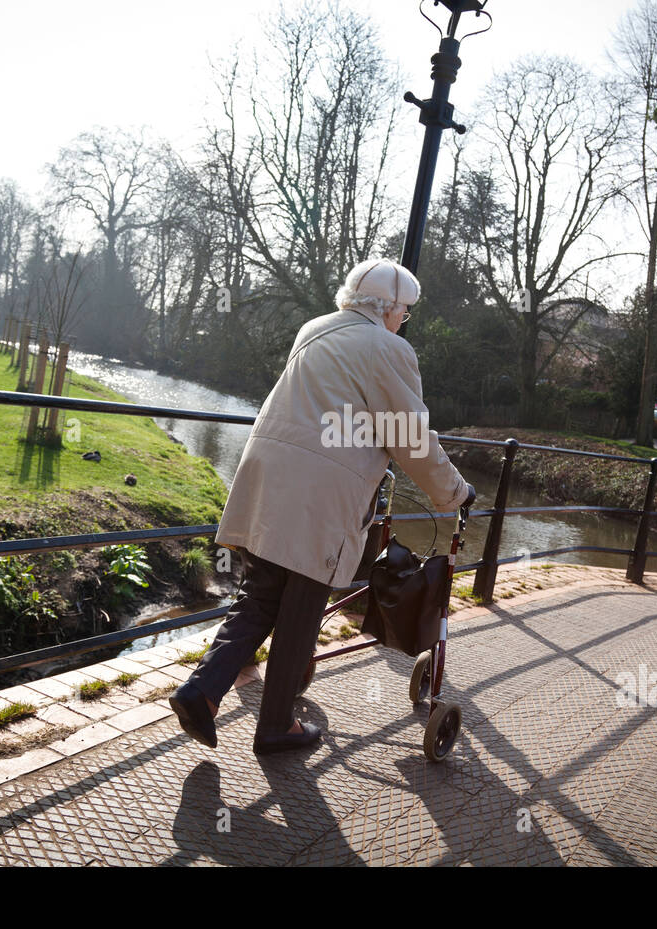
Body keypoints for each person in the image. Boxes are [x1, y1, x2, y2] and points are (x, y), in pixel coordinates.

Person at [169, 259, 476, 755]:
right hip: (321, 492)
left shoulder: (314, 330)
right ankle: (275, 726)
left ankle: (201, 692)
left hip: (268, 476)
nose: (404, 321)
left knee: (260, 593)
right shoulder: (388, 348)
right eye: (405, 312)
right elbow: (408, 437)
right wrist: (456, 493)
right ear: (389, 307)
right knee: (301, 609)